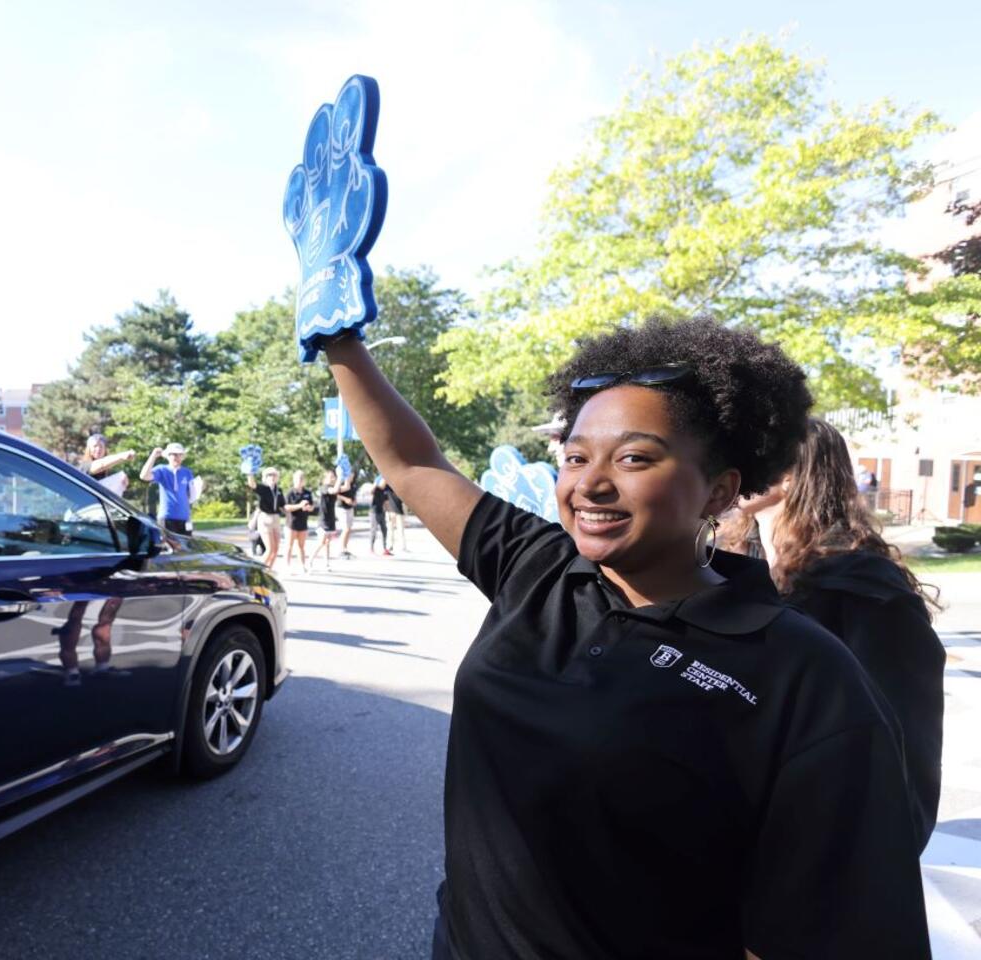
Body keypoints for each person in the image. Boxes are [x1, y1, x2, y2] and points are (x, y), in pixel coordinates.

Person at [321, 316, 928, 959]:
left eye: (634, 457)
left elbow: (822, 929)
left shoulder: (799, 674)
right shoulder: (540, 570)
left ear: (719, 491)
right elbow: (414, 463)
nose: (590, 483)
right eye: (576, 457)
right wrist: (339, 341)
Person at [730, 417, 945, 852]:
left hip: (831, 833)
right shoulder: (744, 564)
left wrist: (883, 841)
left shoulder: (860, 583)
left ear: (790, 477)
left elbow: (899, 724)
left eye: (748, 459)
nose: (727, 471)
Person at [140, 442, 197, 535]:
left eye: (180, 455)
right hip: (167, 517)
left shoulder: (187, 472)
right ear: (168, 456)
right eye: (174, 454)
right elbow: (144, 476)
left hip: (184, 517)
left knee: (185, 547)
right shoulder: (162, 470)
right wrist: (153, 456)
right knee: (168, 547)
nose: (177, 457)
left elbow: (192, 493)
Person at [246, 466, 285, 569]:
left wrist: (298, 507)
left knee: (275, 549)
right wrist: (250, 473)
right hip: (265, 518)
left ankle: (268, 570)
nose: (272, 477)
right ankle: (258, 570)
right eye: (269, 475)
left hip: (276, 519)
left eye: (274, 475)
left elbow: (283, 506)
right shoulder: (264, 489)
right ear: (265, 477)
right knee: (269, 549)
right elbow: (252, 484)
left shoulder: (278, 490)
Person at [283, 469, 315, 573]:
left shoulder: (307, 493)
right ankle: (287, 565)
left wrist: (309, 508)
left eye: (302, 478)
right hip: (291, 523)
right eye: (298, 478)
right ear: (294, 480)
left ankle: (302, 565)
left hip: (303, 522)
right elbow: (286, 507)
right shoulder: (290, 492)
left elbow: (312, 506)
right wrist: (299, 506)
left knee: (301, 546)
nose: (300, 480)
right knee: (289, 546)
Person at [309, 469, 342, 571]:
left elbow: (343, 488)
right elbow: (334, 491)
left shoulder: (333, 487)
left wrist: (346, 477)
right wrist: (340, 478)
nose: (333, 478)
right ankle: (310, 559)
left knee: (327, 542)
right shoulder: (324, 488)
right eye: (330, 476)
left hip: (331, 518)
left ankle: (326, 563)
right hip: (323, 519)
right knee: (322, 542)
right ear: (325, 478)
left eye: (334, 476)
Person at [336, 471, 358, 559]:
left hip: (350, 508)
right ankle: (341, 549)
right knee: (346, 529)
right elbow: (335, 494)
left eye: (352, 474)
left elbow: (353, 495)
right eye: (350, 474)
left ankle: (345, 548)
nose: (351, 476)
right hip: (341, 508)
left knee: (349, 529)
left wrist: (355, 500)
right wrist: (345, 499)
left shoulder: (354, 485)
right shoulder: (342, 483)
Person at [368, 476, 391, 556]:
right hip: (374, 511)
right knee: (373, 530)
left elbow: (386, 502)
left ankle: (385, 548)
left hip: (382, 512)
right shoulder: (376, 488)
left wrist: (388, 512)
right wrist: (375, 483)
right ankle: (371, 548)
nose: (385, 483)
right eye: (384, 481)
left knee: (384, 529)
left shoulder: (385, 489)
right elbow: (371, 491)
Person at [387, 484, 408, 552]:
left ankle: (391, 545)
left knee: (392, 529)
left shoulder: (388, 487)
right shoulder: (398, 486)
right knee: (399, 529)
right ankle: (401, 546)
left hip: (393, 510)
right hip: (396, 510)